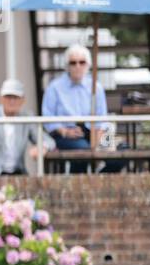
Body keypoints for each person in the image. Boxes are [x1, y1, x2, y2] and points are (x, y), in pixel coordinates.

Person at [41, 44, 113, 174]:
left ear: (88, 65)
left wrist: (97, 140)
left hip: (93, 133)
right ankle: (79, 186)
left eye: (82, 62)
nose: (78, 66)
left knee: (118, 154)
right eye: (73, 63)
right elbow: (47, 117)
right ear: (67, 66)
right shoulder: (55, 87)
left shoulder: (96, 87)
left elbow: (102, 119)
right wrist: (64, 131)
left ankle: (98, 179)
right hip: (65, 135)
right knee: (82, 151)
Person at [0, 78, 52, 177]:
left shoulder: (26, 117)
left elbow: (48, 141)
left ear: (23, 100)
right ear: (1, 98)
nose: (12, 101)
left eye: (16, 97)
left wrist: (43, 147)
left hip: (18, 174)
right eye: (8, 96)